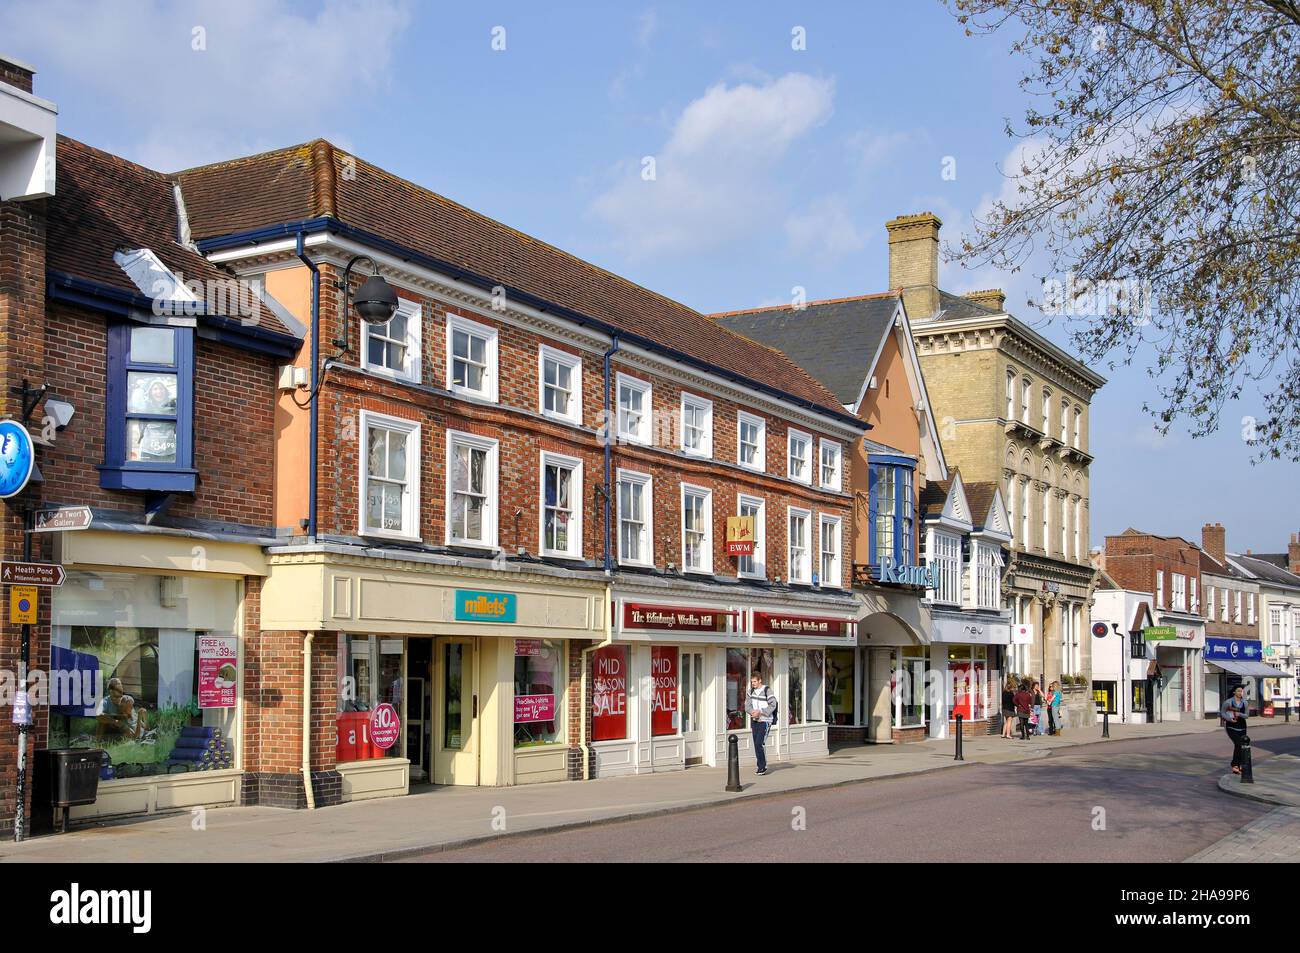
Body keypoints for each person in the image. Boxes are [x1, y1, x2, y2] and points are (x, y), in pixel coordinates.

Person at [747, 672, 776, 775]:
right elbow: (747, 705)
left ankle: (762, 767)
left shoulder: (767, 690)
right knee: (756, 744)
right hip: (755, 720)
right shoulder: (750, 691)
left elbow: (773, 705)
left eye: (754, 681)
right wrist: (752, 712)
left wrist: (761, 711)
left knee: (760, 743)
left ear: (760, 680)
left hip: (765, 721)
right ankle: (761, 765)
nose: (753, 684)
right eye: (752, 682)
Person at [1221, 685, 1249, 775]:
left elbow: (1247, 715)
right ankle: (1234, 764)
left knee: (1241, 746)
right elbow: (1222, 712)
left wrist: (1239, 714)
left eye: (1241, 691)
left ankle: (1238, 765)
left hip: (1242, 727)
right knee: (1238, 743)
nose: (1240, 693)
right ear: (1234, 692)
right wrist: (1229, 719)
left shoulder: (1244, 703)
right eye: (1238, 691)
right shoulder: (1228, 702)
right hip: (1231, 727)